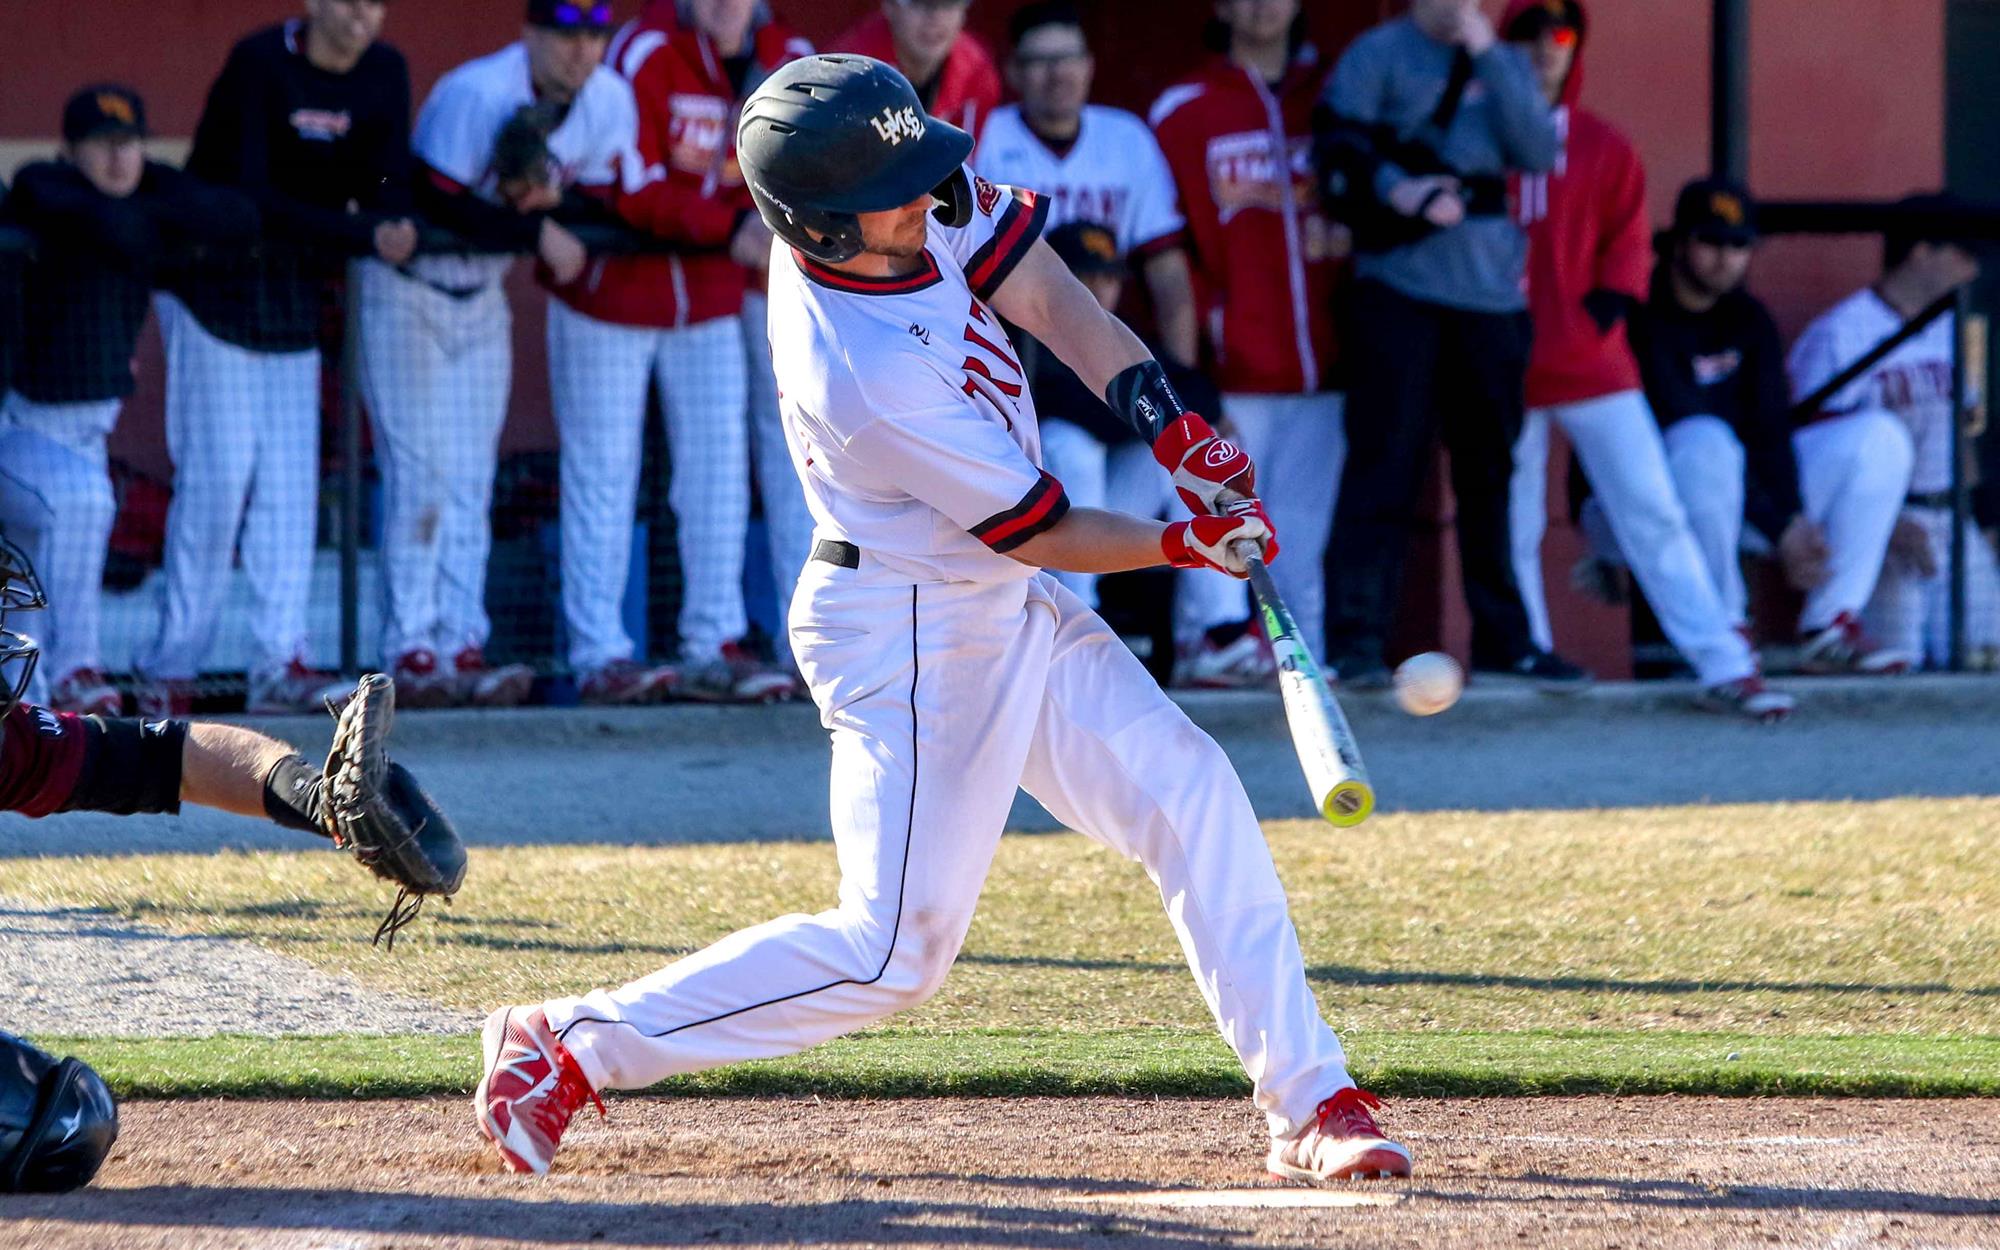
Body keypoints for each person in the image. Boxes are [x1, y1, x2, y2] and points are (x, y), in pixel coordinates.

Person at [473, 54, 1413, 1186]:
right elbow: (1043, 530)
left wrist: (1173, 428)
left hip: (992, 597)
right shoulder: (855, 367)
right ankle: (565, 1043)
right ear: (818, 226)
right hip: (910, 631)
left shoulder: (909, 201)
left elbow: (1054, 301)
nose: (928, 193)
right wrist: (1185, 542)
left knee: (1191, 791)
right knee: (891, 953)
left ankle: (1310, 1098)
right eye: (895, 187)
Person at [0, 533, 462, 1192]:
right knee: (47, 1124)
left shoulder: (8, 741)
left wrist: (318, 800)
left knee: (63, 1122)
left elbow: (171, 756)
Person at [1499, 1, 1790, 720]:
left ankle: (1724, 661)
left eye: (1560, 35)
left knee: (1654, 508)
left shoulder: (1604, 145)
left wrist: (1608, 308)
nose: (1545, 48)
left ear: (1577, 47)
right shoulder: (1475, 136)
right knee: (1513, 522)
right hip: (1501, 362)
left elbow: (1629, 240)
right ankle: (1528, 659)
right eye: (1528, 34)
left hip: (1593, 364)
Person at [357, 1, 640, 709]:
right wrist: (533, 227)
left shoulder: (607, 99)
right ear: (530, 35)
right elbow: (436, 199)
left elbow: (603, 196)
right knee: (420, 474)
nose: (581, 50)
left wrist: (547, 207)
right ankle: (410, 647)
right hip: (409, 292)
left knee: (471, 476)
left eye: (594, 35)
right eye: (566, 35)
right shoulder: (477, 93)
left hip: (482, 295)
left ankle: (461, 642)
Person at [142, 0, 418, 717]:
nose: (361, 18)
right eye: (349, 2)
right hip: (214, 291)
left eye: (374, 4)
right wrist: (358, 232)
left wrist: (392, 219)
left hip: (293, 297)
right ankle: (172, 668)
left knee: (291, 489)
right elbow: (251, 196)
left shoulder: (384, 71)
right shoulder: (261, 61)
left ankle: (279, 660)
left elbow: (388, 179)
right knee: (219, 479)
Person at [1319, 0, 1585, 689]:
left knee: (1490, 475)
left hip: (1490, 301)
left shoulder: (1505, 61)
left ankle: (1505, 641)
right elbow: (1336, 146)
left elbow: (1538, 150)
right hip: (1398, 290)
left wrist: (1487, 52)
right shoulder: (1378, 54)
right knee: (1384, 465)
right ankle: (1356, 642)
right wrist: (1396, 189)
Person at [554, 0, 806, 703]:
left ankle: (713, 640)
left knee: (718, 474)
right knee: (605, 474)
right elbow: (632, 184)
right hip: (613, 295)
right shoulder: (644, 50)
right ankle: (600, 654)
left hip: (708, 298)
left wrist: (742, 227)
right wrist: (727, 228)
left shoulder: (787, 57)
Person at [0, 86, 257, 718]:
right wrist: (149, 218)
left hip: (85, 437)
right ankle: (77, 669)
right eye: (102, 145)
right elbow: (98, 219)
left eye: (130, 143)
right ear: (70, 151)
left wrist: (147, 208)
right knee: (84, 501)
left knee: (32, 568)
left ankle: (27, 708)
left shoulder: (142, 191)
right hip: (17, 430)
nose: (119, 158)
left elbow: (239, 217)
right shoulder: (44, 188)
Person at [1149, 0, 1344, 678]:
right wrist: (1195, 371)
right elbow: (1166, 253)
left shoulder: (1336, 96)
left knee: (1303, 543)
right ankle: (1208, 652)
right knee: (1225, 525)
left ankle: (1303, 676)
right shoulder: (1183, 109)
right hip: (1234, 371)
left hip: (1329, 371)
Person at [1016, 219, 1253, 673]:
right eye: (1086, 277)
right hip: (1037, 525)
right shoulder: (1022, 332)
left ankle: (1219, 632)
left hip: (1103, 508)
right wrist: (1136, 413)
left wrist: (1153, 420)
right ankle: (1079, 616)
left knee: (1192, 452)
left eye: (1108, 278)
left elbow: (1193, 391)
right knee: (1069, 440)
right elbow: (1063, 407)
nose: (1099, 290)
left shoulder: (1116, 334)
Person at [1612, 179, 1829, 643]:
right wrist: (1777, 524)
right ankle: (1725, 623)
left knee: (1876, 441)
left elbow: (1770, 429)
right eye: (1711, 241)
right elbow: (1677, 422)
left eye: (1739, 245)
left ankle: (1831, 621)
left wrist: (1792, 518)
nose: (1725, 257)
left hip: (1736, 502)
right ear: (1679, 243)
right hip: (1637, 500)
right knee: (1705, 441)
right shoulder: (1640, 313)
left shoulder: (1749, 318)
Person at [1788, 197, 2000, 671]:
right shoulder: (1839, 332)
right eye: (1962, 254)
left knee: (1988, 660)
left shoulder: (1949, 324)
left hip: (1952, 519)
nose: (1972, 269)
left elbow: (1962, 434)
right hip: (1886, 528)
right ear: (1921, 252)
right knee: (1897, 670)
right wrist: (1885, 526)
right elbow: (1815, 453)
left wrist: (1980, 524)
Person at [830, 0, 1001, 141]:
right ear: (889, 6)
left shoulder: (978, 73)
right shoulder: (849, 72)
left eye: (948, 4)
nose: (936, 18)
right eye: (920, 3)